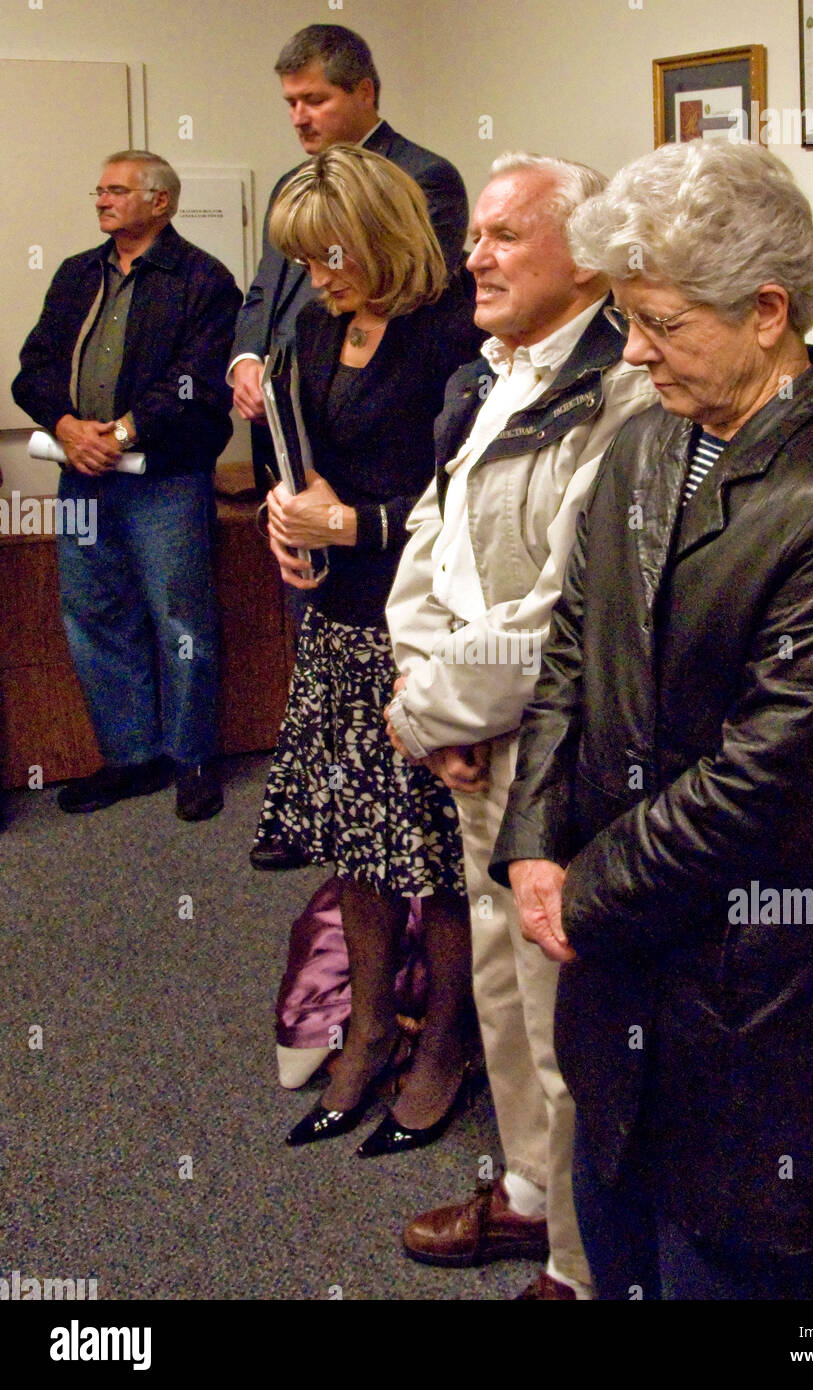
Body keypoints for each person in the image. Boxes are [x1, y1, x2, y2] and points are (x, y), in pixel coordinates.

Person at [489, 140, 813, 1300]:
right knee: (619, 1247)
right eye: (628, 315)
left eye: (662, 322)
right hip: (620, 973)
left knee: (718, 1270)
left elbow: (767, 786)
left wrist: (579, 893)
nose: (633, 349)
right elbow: (570, 661)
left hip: (748, 1001)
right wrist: (532, 840)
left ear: (767, 311)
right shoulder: (645, 442)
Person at [384, 153, 657, 1299]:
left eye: (502, 236)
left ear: (585, 256)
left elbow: (560, 615)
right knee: (499, 993)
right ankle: (533, 1202)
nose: (472, 258)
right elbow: (427, 553)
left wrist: (431, 709)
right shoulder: (490, 370)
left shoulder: (623, 392)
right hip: (463, 749)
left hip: (547, 757)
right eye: (475, 235)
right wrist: (421, 705)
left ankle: (582, 1266)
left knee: (562, 1027)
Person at [252, 145, 484, 1155]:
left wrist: (357, 528)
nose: (318, 279)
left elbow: (469, 507)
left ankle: (443, 1045)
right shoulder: (316, 323)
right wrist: (281, 515)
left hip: (423, 627)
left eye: (332, 256)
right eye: (304, 261)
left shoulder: (455, 332)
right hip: (338, 628)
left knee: (435, 858)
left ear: (386, 235)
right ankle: (368, 1030)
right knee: (358, 846)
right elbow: (299, 460)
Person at [12, 150, 241, 821]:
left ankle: (192, 758)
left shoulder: (203, 280)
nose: (102, 201)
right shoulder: (77, 274)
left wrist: (118, 434)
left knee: (181, 618)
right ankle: (130, 757)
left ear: (160, 201)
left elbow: (197, 382)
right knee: (93, 614)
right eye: (100, 190)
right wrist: (66, 424)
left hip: (164, 480)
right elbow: (35, 367)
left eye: (117, 191)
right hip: (82, 481)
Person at [229, 22, 469, 527]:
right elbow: (265, 291)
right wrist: (248, 360)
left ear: (364, 92)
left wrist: (349, 526)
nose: (299, 118)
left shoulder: (423, 175)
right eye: (290, 103)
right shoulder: (292, 186)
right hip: (298, 429)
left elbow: (415, 297)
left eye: (313, 100)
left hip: (385, 437)